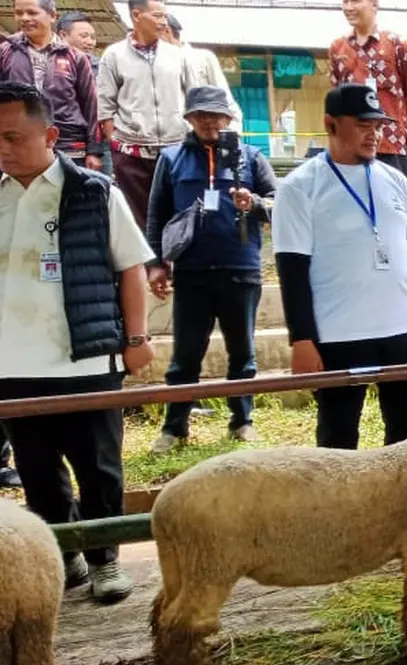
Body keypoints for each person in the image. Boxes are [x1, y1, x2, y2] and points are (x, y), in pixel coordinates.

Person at [0, 81, 155, 602]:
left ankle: (106, 558)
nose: (2, 147)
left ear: (49, 134)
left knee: (99, 469)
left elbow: (130, 269)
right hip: (14, 367)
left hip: (84, 359)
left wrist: (136, 338)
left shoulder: (93, 192)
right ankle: (64, 554)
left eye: (12, 136)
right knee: (38, 473)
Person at [272, 84, 407, 449]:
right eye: (362, 124)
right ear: (331, 124)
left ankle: (401, 505)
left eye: (378, 125)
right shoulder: (299, 187)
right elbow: (291, 269)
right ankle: (336, 507)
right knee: (338, 436)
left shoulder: (395, 179)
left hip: (402, 327)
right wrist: (302, 338)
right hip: (340, 333)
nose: (374, 134)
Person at [143, 86, 277, 452]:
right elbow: (157, 216)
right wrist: (156, 264)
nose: (208, 121)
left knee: (242, 352)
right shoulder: (171, 160)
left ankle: (242, 421)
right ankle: (174, 427)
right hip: (191, 271)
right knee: (185, 354)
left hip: (241, 267)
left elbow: (279, 202)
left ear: (228, 118)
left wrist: (255, 203)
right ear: (189, 119)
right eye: (200, 115)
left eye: (215, 115)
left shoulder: (251, 157)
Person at [96, 0, 191, 232]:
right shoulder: (114, 55)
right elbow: (105, 104)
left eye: (165, 16)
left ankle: (175, 266)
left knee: (178, 213)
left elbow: (192, 96)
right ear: (137, 15)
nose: (163, 22)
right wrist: (115, 143)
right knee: (139, 219)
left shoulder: (177, 55)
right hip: (131, 152)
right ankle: (147, 267)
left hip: (175, 150)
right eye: (158, 15)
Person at [328, 0, 407, 186]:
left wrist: (400, 128)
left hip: (391, 147)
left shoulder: (398, 45)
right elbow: (336, 96)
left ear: (374, 3)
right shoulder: (337, 49)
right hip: (351, 150)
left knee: (396, 209)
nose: (348, 7)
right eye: (345, 2)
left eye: (355, 1)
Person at [0, 0, 104, 170]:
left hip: (69, 146)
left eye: (32, 13)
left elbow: (90, 105)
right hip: (20, 143)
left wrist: (93, 150)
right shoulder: (6, 51)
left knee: (66, 194)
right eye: (19, 13)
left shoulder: (75, 57)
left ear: (53, 15)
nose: (24, 18)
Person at [162, 14, 243, 133]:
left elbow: (225, 98)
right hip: (173, 139)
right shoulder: (158, 66)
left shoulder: (203, 58)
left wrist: (233, 133)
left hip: (206, 136)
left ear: (167, 31)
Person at [54, 10, 110, 175]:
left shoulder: (102, 66)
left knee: (100, 188)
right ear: (63, 35)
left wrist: (96, 147)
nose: (90, 42)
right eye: (84, 36)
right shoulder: (52, 66)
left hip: (100, 142)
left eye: (92, 37)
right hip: (67, 139)